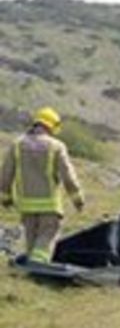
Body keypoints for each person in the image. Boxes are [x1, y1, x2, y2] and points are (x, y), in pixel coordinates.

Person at [0, 107, 84, 263]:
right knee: (45, 240)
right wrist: (77, 199)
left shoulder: (17, 145)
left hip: (26, 206)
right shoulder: (56, 146)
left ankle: (30, 275)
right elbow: (68, 176)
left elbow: (5, 174)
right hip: (49, 206)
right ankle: (38, 268)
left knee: (31, 242)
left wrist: (5, 197)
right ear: (52, 126)